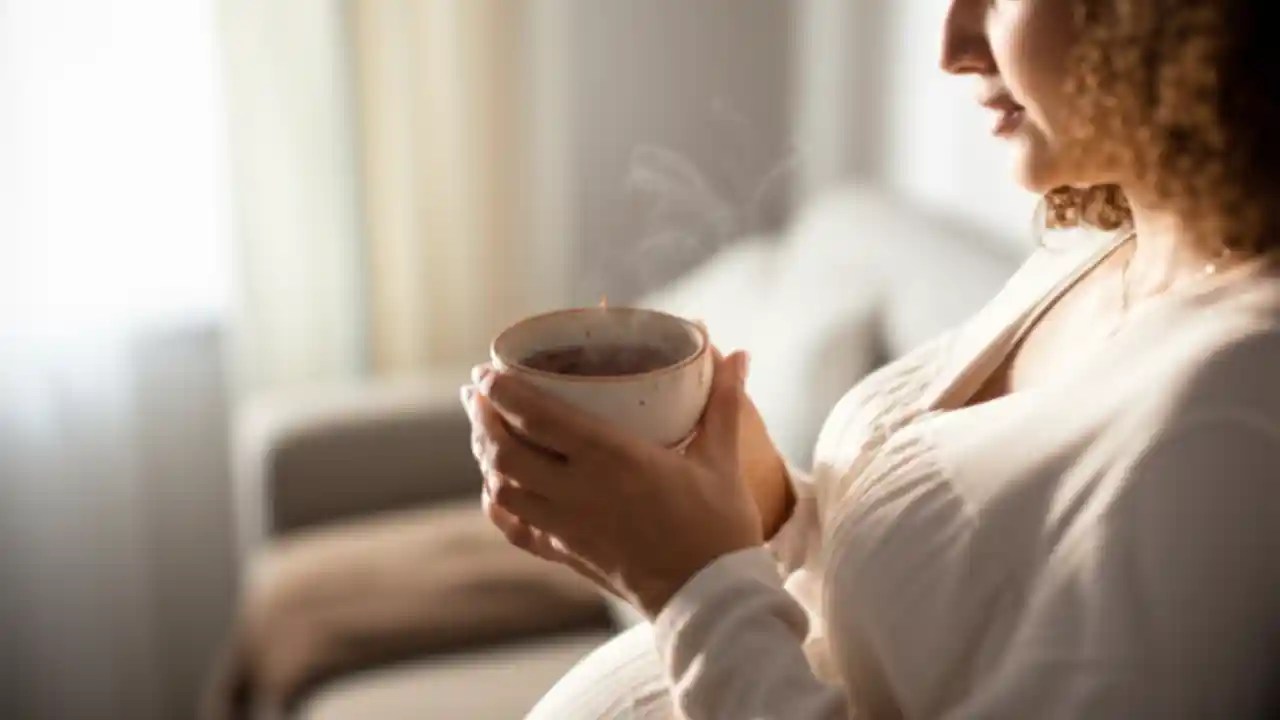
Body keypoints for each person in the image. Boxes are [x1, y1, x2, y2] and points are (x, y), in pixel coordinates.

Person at [461, 0, 1280, 716]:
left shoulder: (1240, 416)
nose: (952, 44)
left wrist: (688, 582)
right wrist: (763, 502)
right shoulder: (1103, 250)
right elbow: (924, 616)